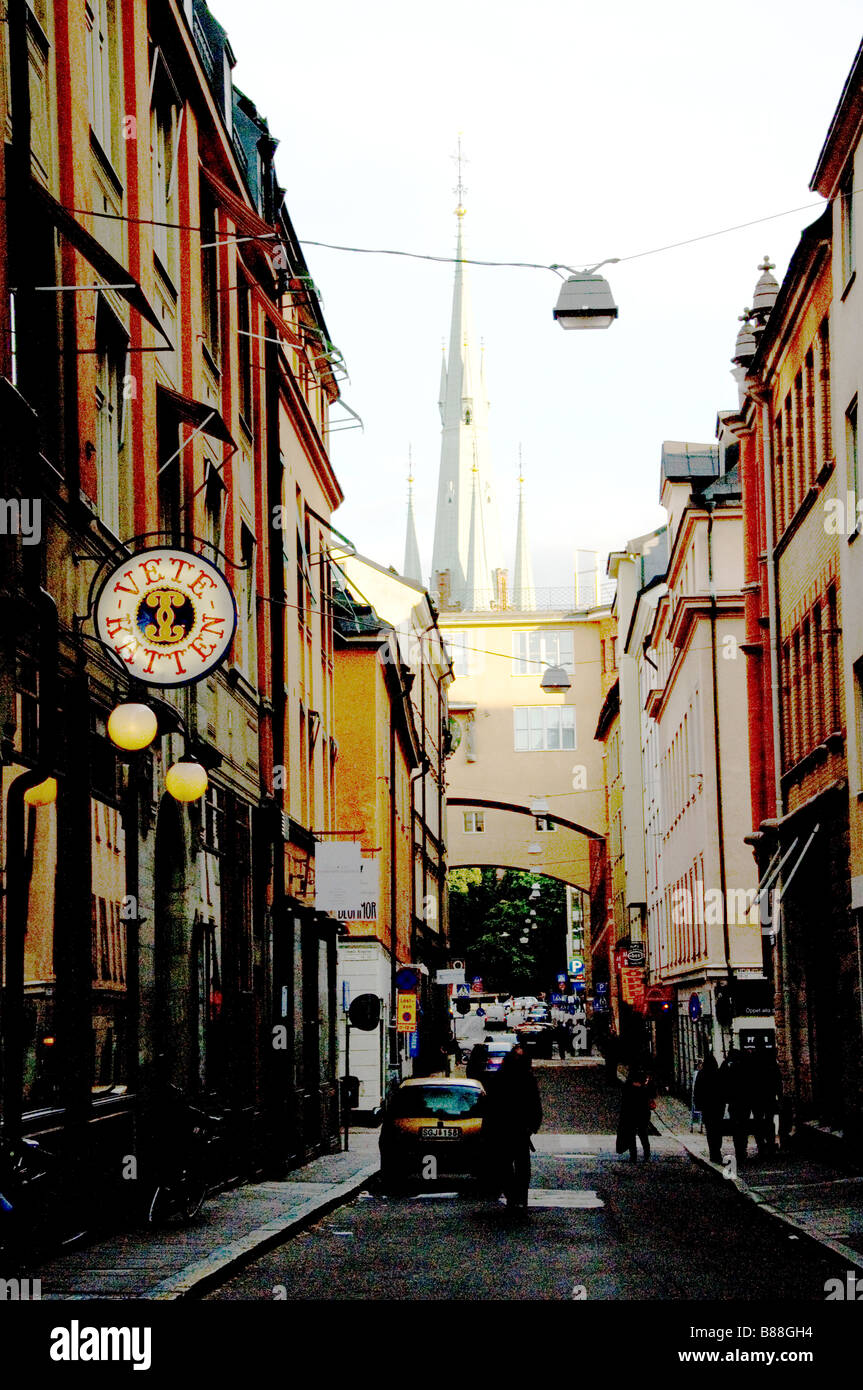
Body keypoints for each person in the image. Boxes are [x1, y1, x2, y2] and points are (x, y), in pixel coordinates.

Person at [483, 1043, 543, 1208]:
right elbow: (492, 1105)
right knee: (509, 1166)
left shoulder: (502, 1078)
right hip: (507, 1130)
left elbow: (534, 1104)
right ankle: (515, 1197)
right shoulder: (519, 1078)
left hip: (515, 1130)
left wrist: (532, 1125)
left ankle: (518, 1197)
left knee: (516, 1166)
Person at [719, 1046, 753, 1167]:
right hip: (745, 1102)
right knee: (743, 1126)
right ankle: (742, 1150)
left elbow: (723, 1082)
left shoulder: (728, 1066)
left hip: (734, 1102)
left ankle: (739, 1150)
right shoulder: (745, 1066)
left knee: (736, 1127)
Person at [616, 1061, 656, 1161]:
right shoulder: (646, 1084)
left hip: (631, 1111)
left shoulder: (628, 1084)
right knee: (643, 1133)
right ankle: (646, 1154)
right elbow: (652, 1094)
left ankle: (633, 1155)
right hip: (643, 1111)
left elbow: (625, 1099)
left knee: (632, 1134)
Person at [750, 1048, 782, 1158]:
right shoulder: (772, 1065)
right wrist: (780, 1096)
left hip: (757, 1098)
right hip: (769, 1097)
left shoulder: (753, 1065)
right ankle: (769, 1143)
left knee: (758, 1121)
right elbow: (778, 1082)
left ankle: (761, 1144)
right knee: (769, 1121)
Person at [693, 1053, 725, 1164]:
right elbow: (723, 1089)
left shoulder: (702, 1074)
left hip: (707, 1106)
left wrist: (698, 1105)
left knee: (710, 1130)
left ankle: (713, 1152)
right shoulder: (719, 1073)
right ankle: (718, 1151)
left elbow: (697, 1091)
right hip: (718, 1106)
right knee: (718, 1129)